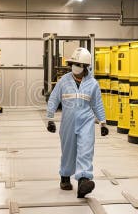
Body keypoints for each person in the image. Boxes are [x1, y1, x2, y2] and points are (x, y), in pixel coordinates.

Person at [46, 47, 109, 198]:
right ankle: (65, 177)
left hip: (86, 121)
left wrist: (103, 122)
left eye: (79, 64)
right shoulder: (64, 81)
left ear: (85, 66)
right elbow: (54, 98)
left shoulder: (93, 84)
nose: (75, 66)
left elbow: (97, 104)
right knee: (68, 151)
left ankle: (83, 181)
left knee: (86, 149)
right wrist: (50, 118)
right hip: (68, 122)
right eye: (73, 63)